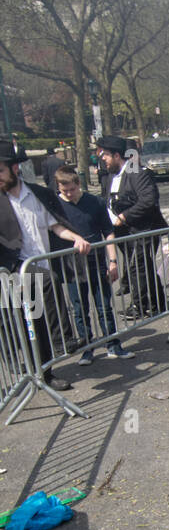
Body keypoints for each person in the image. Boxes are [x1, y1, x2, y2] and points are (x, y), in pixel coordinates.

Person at [0, 141, 91, 391]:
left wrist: (77, 237)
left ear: (15, 168)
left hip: (37, 268)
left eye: (0, 171)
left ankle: (45, 374)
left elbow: (56, 225)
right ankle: (62, 340)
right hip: (13, 272)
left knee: (38, 322)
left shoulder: (38, 195)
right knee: (20, 323)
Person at [54, 167, 133, 361]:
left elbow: (108, 231)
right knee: (79, 308)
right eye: (64, 191)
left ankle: (113, 344)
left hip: (96, 260)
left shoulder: (95, 202)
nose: (69, 194)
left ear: (78, 184)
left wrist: (113, 261)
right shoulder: (56, 205)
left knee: (104, 305)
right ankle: (87, 347)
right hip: (71, 265)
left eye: (72, 189)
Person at [98, 134, 167, 319]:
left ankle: (140, 304)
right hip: (125, 231)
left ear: (117, 155)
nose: (102, 158)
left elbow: (148, 200)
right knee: (142, 266)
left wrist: (124, 216)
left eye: (105, 154)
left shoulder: (136, 172)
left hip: (143, 229)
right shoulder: (111, 176)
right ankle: (156, 303)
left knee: (138, 267)